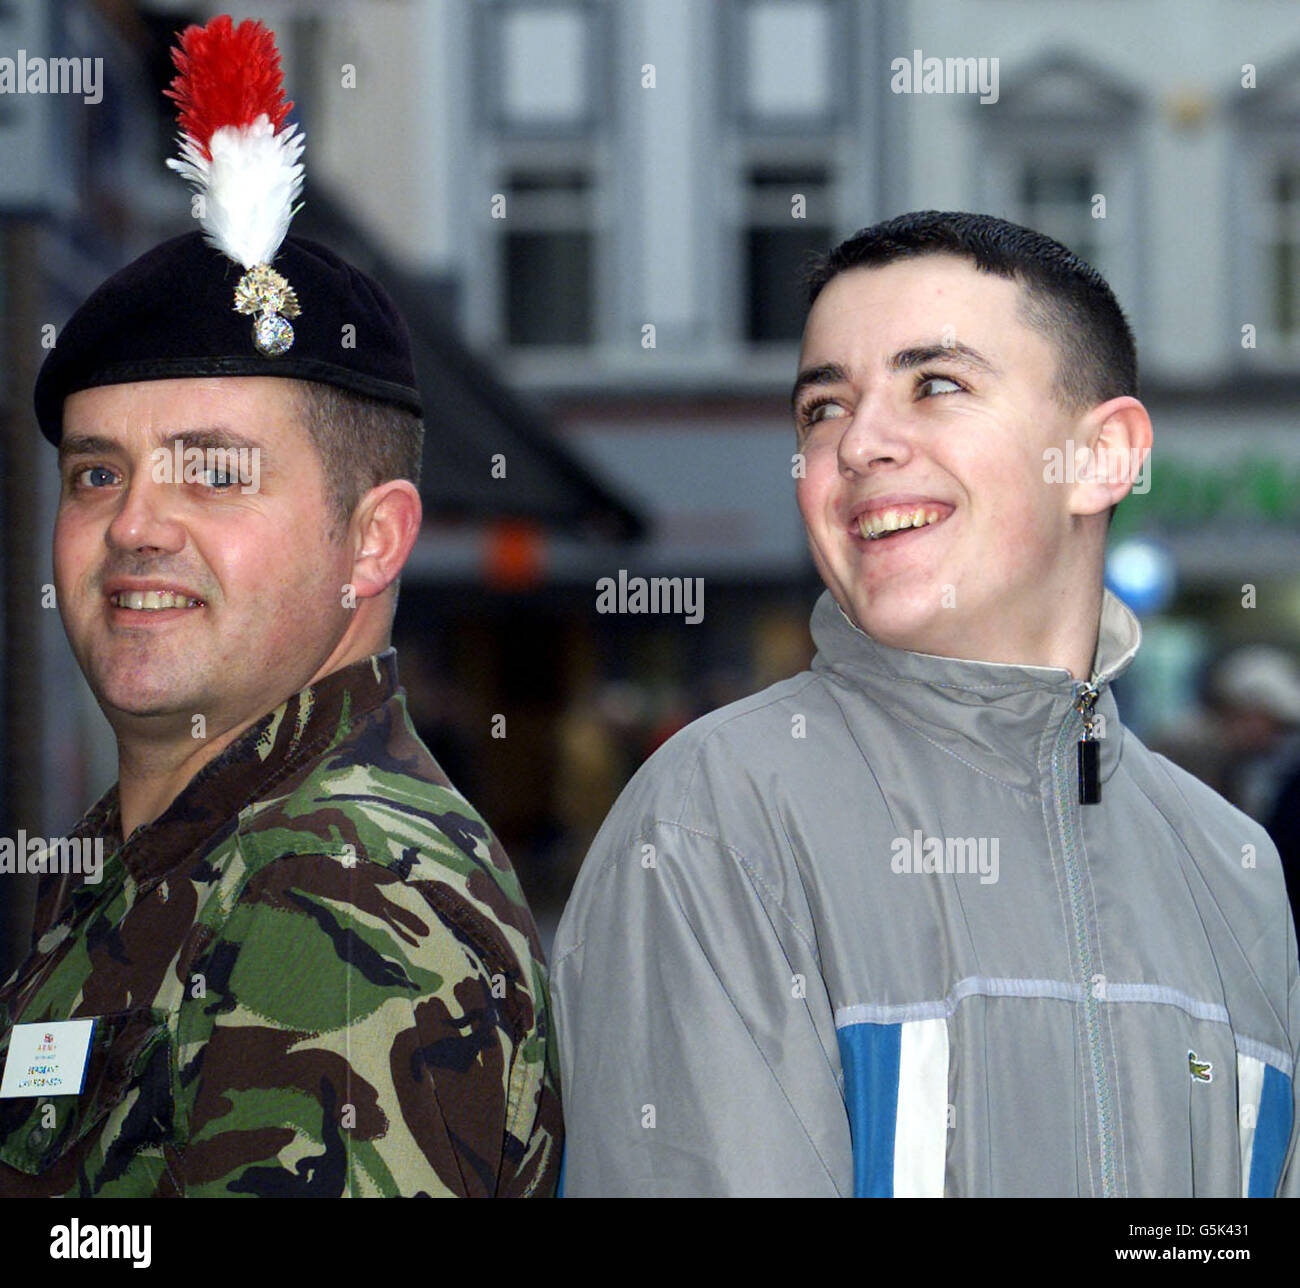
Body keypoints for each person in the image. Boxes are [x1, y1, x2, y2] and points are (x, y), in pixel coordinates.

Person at [552, 211, 1299, 1197]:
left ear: (1101, 455)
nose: (857, 443)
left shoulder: (1230, 866)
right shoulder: (719, 816)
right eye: (822, 408)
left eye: (934, 385)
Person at [0, 16, 561, 1197]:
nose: (137, 521)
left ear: (373, 540)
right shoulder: (168, 847)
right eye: (99, 472)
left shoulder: (342, 890)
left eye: (214, 468)